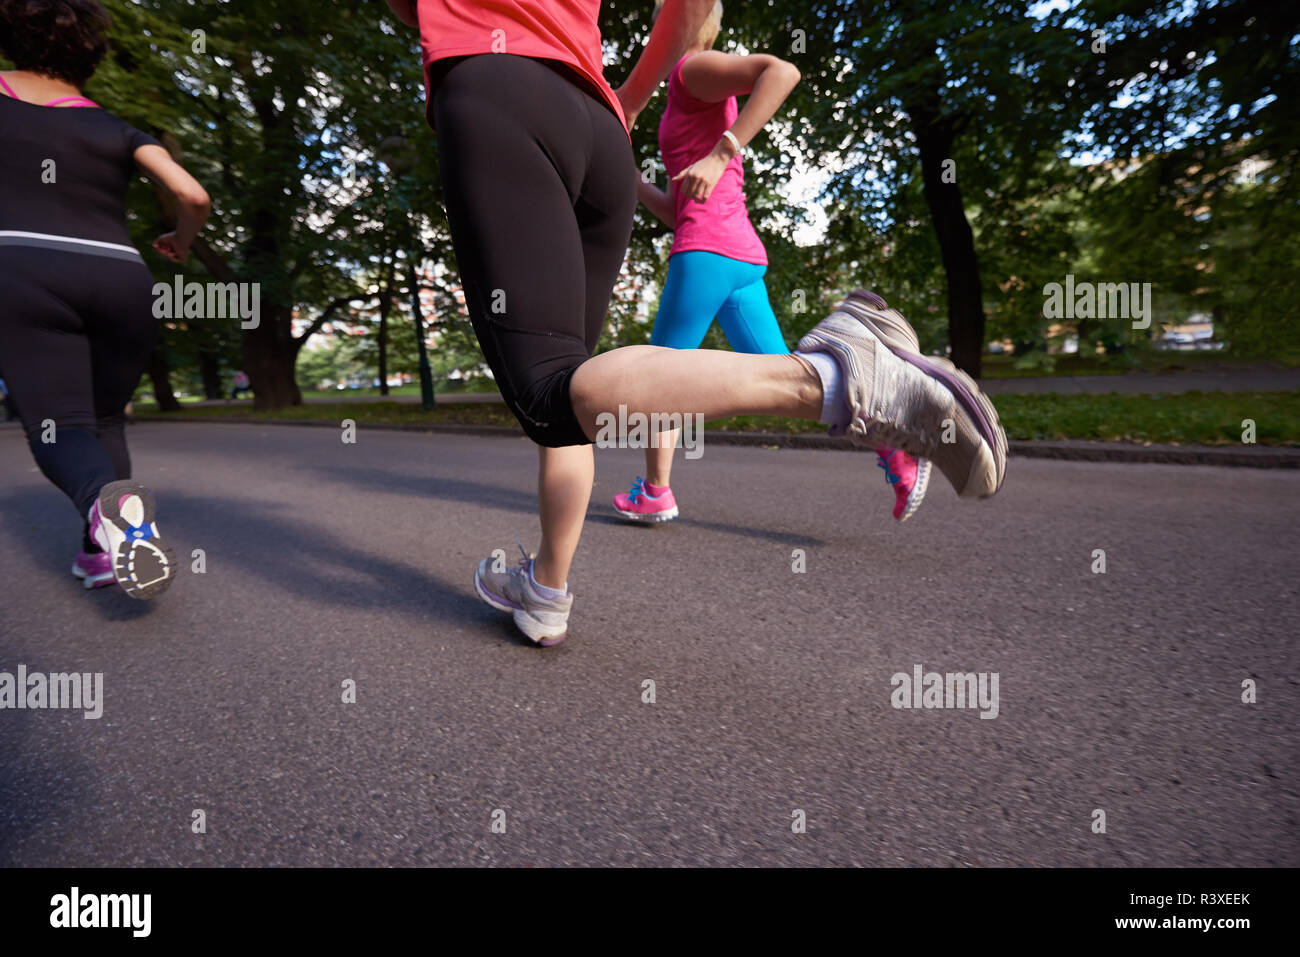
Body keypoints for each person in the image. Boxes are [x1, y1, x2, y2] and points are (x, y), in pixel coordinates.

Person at [385, 0, 1006, 646]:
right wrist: (623, 101)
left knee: (561, 387)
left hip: (504, 93)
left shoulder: (697, 73)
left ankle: (835, 377)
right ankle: (546, 589)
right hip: (598, 131)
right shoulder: (676, 81)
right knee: (574, 391)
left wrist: (717, 145)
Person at [614, 1, 930, 525]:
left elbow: (783, 71)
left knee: (658, 376)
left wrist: (723, 152)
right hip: (736, 256)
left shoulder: (693, 69)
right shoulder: (685, 90)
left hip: (707, 253)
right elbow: (678, 209)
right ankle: (893, 442)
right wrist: (635, 185)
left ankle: (655, 491)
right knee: (794, 385)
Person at [0, 0, 210, 598]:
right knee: (105, 418)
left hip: (22, 267)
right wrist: (179, 241)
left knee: (58, 426)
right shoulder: (116, 127)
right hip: (120, 277)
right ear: (88, 56)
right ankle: (104, 550)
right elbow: (191, 194)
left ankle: (102, 508)